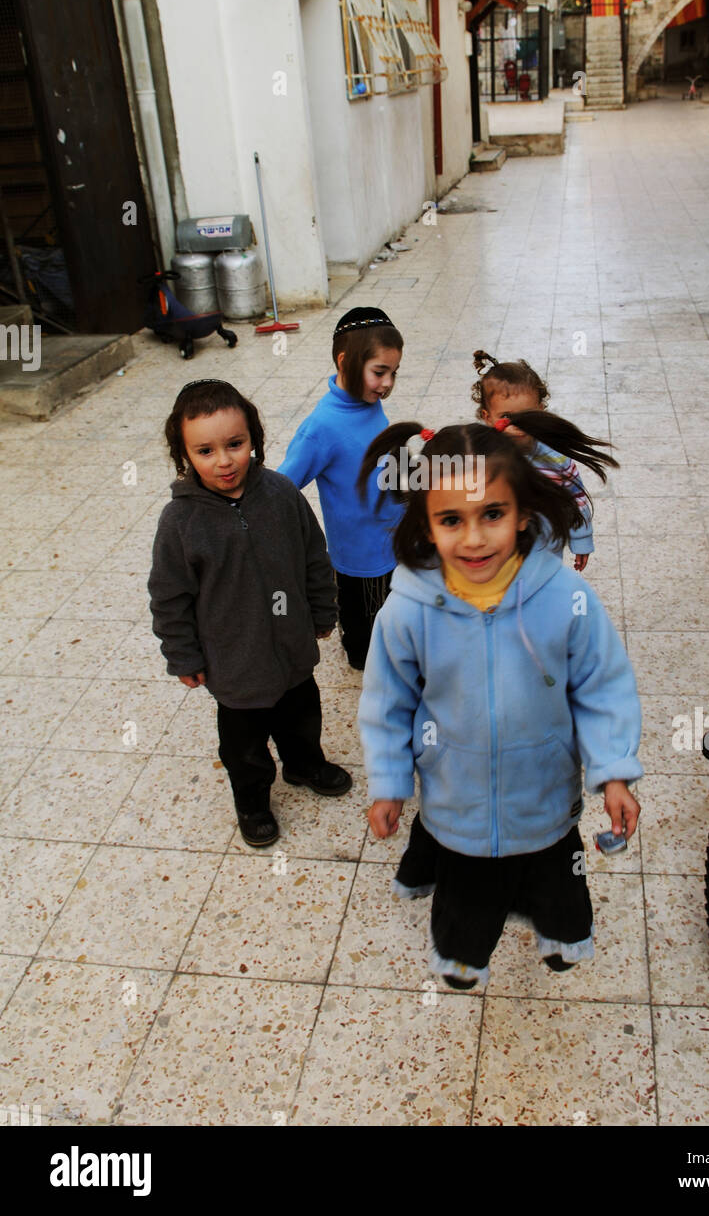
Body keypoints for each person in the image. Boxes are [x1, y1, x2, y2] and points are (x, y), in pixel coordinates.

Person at [357, 417, 642, 990]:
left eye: (492, 514)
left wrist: (613, 772)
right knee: (466, 900)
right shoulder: (408, 611)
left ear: (522, 512)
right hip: (456, 806)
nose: (474, 539)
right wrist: (389, 781)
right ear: (426, 523)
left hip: (546, 798)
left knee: (558, 884)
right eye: (450, 520)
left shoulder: (564, 596)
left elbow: (601, 684)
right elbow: (387, 703)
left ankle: (561, 938)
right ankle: (463, 960)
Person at [149, 379, 351, 850]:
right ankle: (253, 800)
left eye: (235, 444)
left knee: (302, 718)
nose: (223, 461)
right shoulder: (180, 523)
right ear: (184, 455)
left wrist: (323, 610)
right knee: (244, 749)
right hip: (234, 667)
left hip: (294, 651)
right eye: (205, 451)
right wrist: (183, 655)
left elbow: (313, 556)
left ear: (254, 439)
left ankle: (304, 764)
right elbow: (168, 596)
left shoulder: (281, 493)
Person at [278, 307, 404, 670]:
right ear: (345, 360)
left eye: (394, 373)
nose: (387, 384)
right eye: (379, 372)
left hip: (392, 540)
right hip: (358, 556)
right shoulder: (321, 427)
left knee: (392, 616)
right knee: (364, 646)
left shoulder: (370, 404)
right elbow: (283, 486)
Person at [472, 349, 613, 572]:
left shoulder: (555, 456)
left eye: (527, 415)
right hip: (492, 557)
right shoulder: (478, 457)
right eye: (507, 417)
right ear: (487, 417)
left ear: (541, 410)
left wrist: (581, 540)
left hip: (545, 555)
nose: (518, 425)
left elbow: (575, 500)